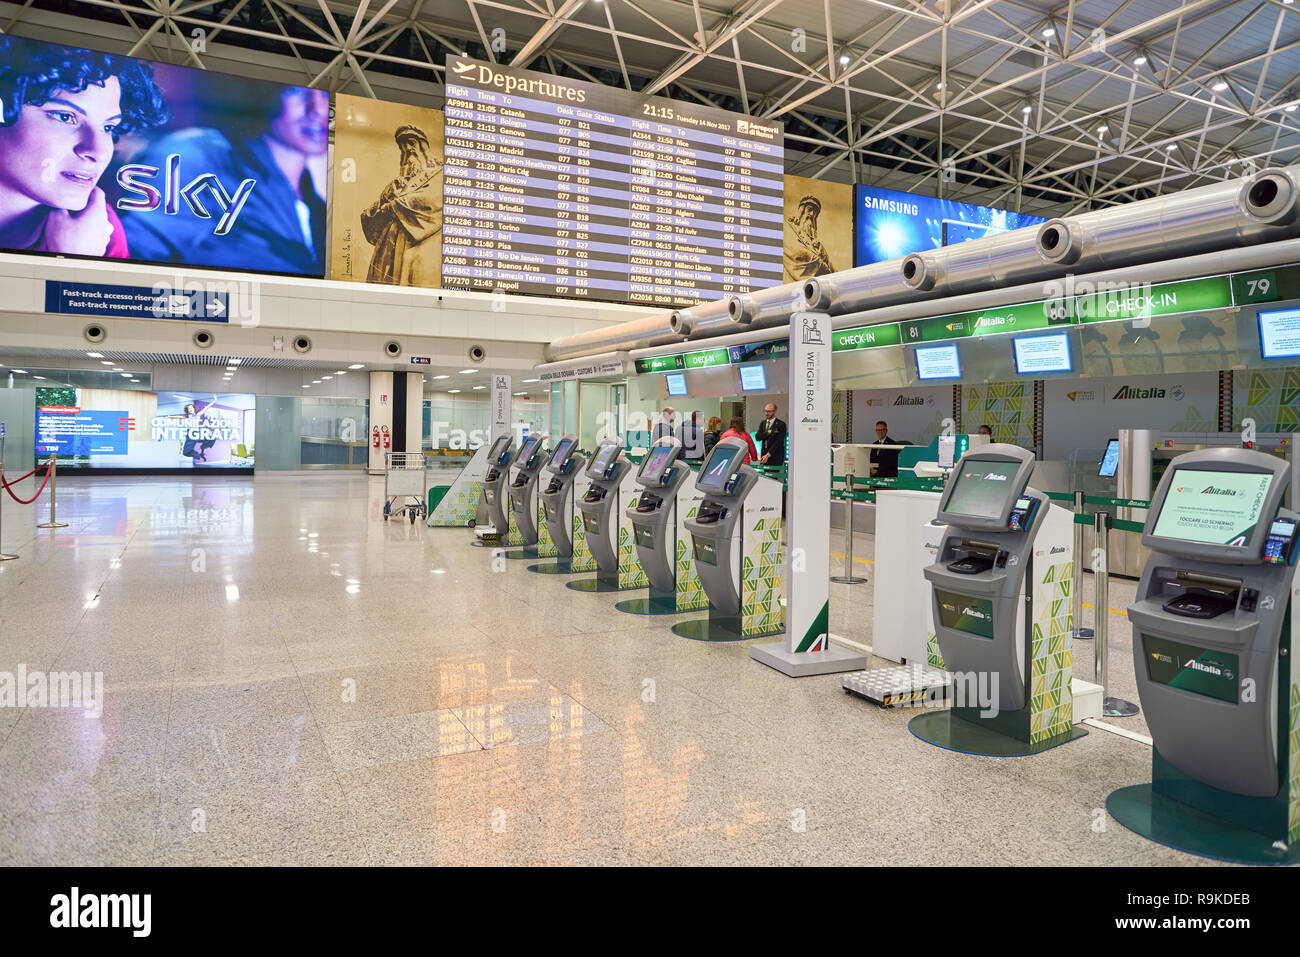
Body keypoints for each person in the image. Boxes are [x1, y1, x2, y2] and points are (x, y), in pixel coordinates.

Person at [122, 83, 329, 274]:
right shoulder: (196, 156)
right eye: (295, 90)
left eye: (327, 95)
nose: (318, 110)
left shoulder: (318, 209)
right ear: (267, 91)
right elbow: (133, 260)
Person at [0, 37, 167, 258]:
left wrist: (78, 261)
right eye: (65, 116)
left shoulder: (99, 231)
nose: (97, 152)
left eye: (108, 127)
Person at [361, 124, 444, 285]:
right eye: (403, 147)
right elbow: (371, 214)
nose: (408, 150)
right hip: (387, 249)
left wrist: (394, 205)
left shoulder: (440, 172)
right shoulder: (397, 183)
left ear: (422, 145)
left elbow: (434, 201)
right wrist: (384, 202)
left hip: (417, 248)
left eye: (411, 143)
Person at [783, 193, 836, 282]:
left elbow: (831, 269)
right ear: (802, 210)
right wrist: (818, 263)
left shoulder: (819, 245)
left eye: (815, 213)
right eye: (810, 210)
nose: (812, 215)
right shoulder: (788, 227)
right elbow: (795, 252)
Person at [755, 402, 787, 467]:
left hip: (775, 456)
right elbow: (758, 437)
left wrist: (767, 455)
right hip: (763, 457)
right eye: (765, 411)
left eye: (769, 411)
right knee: (765, 476)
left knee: (773, 477)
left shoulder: (781, 424)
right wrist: (767, 433)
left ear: (775, 412)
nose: (766, 413)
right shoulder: (763, 423)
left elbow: (778, 442)